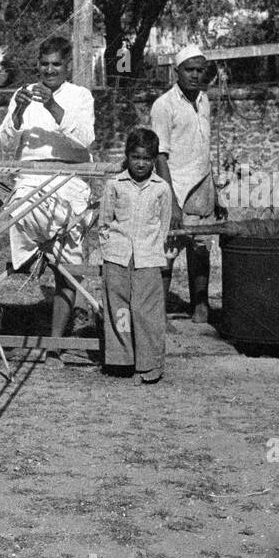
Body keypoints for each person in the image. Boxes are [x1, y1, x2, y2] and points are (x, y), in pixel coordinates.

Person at [0, 38, 96, 364]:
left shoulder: (80, 96)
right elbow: (3, 143)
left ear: (67, 66)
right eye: (44, 64)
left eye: (56, 64)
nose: (49, 70)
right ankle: (41, 256)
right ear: (38, 63)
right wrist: (20, 112)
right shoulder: (22, 94)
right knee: (26, 217)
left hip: (69, 181)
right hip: (31, 182)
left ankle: (55, 340)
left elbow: (85, 140)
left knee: (69, 266)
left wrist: (53, 106)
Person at [150, 44, 226, 323]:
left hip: (202, 188)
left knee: (201, 249)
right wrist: (171, 201)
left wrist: (215, 192)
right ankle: (157, 314)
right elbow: (160, 156)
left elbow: (203, 150)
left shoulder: (204, 101)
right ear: (176, 71)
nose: (195, 75)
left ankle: (201, 307)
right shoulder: (164, 106)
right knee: (168, 252)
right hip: (175, 188)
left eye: (199, 70)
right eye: (189, 70)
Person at [98, 128, 174, 384]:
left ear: (154, 160)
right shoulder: (114, 185)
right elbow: (104, 222)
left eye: (147, 158)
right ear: (127, 157)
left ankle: (150, 364)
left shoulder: (161, 188)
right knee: (119, 309)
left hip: (148, 258)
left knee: (145, 311)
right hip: (117, 256)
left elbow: (163, 225)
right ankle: (122, 360)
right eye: (135, 157)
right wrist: (110, 249)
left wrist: (153, 249)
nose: (140, 163)